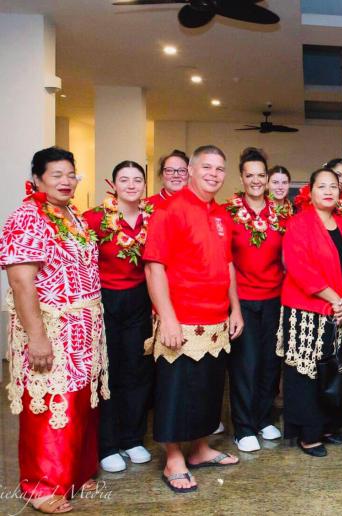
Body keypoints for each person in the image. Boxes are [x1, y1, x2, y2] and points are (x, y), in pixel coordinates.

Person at [0, 147, 107, 513]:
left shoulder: (71, 216)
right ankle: (41, 485)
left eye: (70, 174)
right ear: (37, 179)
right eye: (56, 175)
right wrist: (37, 337)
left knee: (79, 402)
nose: (65, 181)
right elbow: (20, 281)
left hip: (82, 329)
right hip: (51, 328)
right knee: (48, 404)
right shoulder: (28, 218)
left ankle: (74, 474)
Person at [143, 145, 243, 493]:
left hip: (216, 320)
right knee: (175, 391)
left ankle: (200, 449)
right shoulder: (170, 210)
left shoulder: (221, 215)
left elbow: (228, 264)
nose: (214, 174)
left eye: (220, 168)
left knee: (208, 389)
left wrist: (236, 308)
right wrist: (166, 318)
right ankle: (174, 459)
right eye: (207, 167)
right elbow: (154, 267)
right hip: (181, 319)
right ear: (190, 169)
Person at [277, 167, 342, 457]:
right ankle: (309, 433)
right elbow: (300, 268)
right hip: (308, 311)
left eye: (333, 186)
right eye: (321, 186)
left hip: (341, 312)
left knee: (335, 370)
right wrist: (336, 298)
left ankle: (330, 425)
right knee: (308, 374)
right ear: (310, 192)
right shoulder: (299, 224)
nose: (328, 191)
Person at [84, 160, 154, 473]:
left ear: (144, 184)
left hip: (140, 301)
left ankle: (132, 438)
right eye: (123, 179)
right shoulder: (95, 219)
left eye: (137, 179)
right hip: (105, 303)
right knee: (108, 373)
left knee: (137, 371)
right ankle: (107, 444)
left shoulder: (154, 219)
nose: (131, 185)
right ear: (113, 184)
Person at [225, 148, 286, 453]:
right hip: (243, 300)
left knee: (270, 363)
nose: (256, 180)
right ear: (242, 177)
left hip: (274, 299)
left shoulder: (281, 216)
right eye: (250, 175)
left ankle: (263, 419)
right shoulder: (229, 213)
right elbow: (225, 263)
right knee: (245, 366)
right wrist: (234, 307)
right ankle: (244, 427)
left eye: (261, 175)